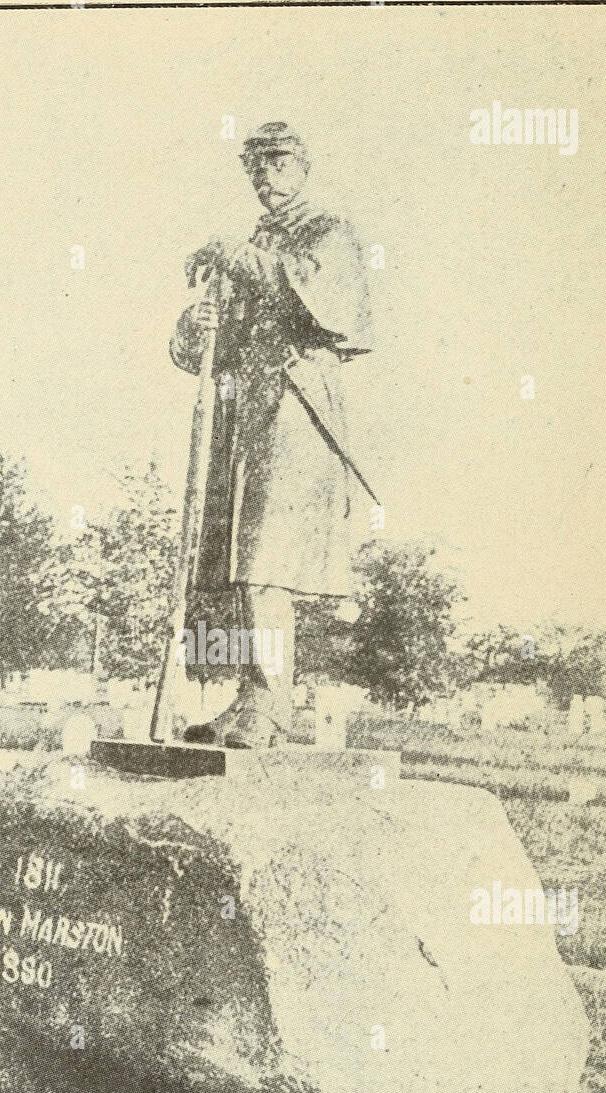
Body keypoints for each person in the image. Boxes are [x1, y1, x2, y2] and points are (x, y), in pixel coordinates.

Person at [170, 121, 373, 748]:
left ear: (304, 167)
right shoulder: (251, 245)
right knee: (237, 563)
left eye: (279, 162)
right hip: (244, 414)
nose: (266, 176)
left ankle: (272, 701)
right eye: (255, 166)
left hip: (296, 408)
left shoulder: (328, 232)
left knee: (265, 560)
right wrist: (194, 323)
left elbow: (307, 295)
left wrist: (229, 254)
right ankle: (258, 692)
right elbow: (207, 349)